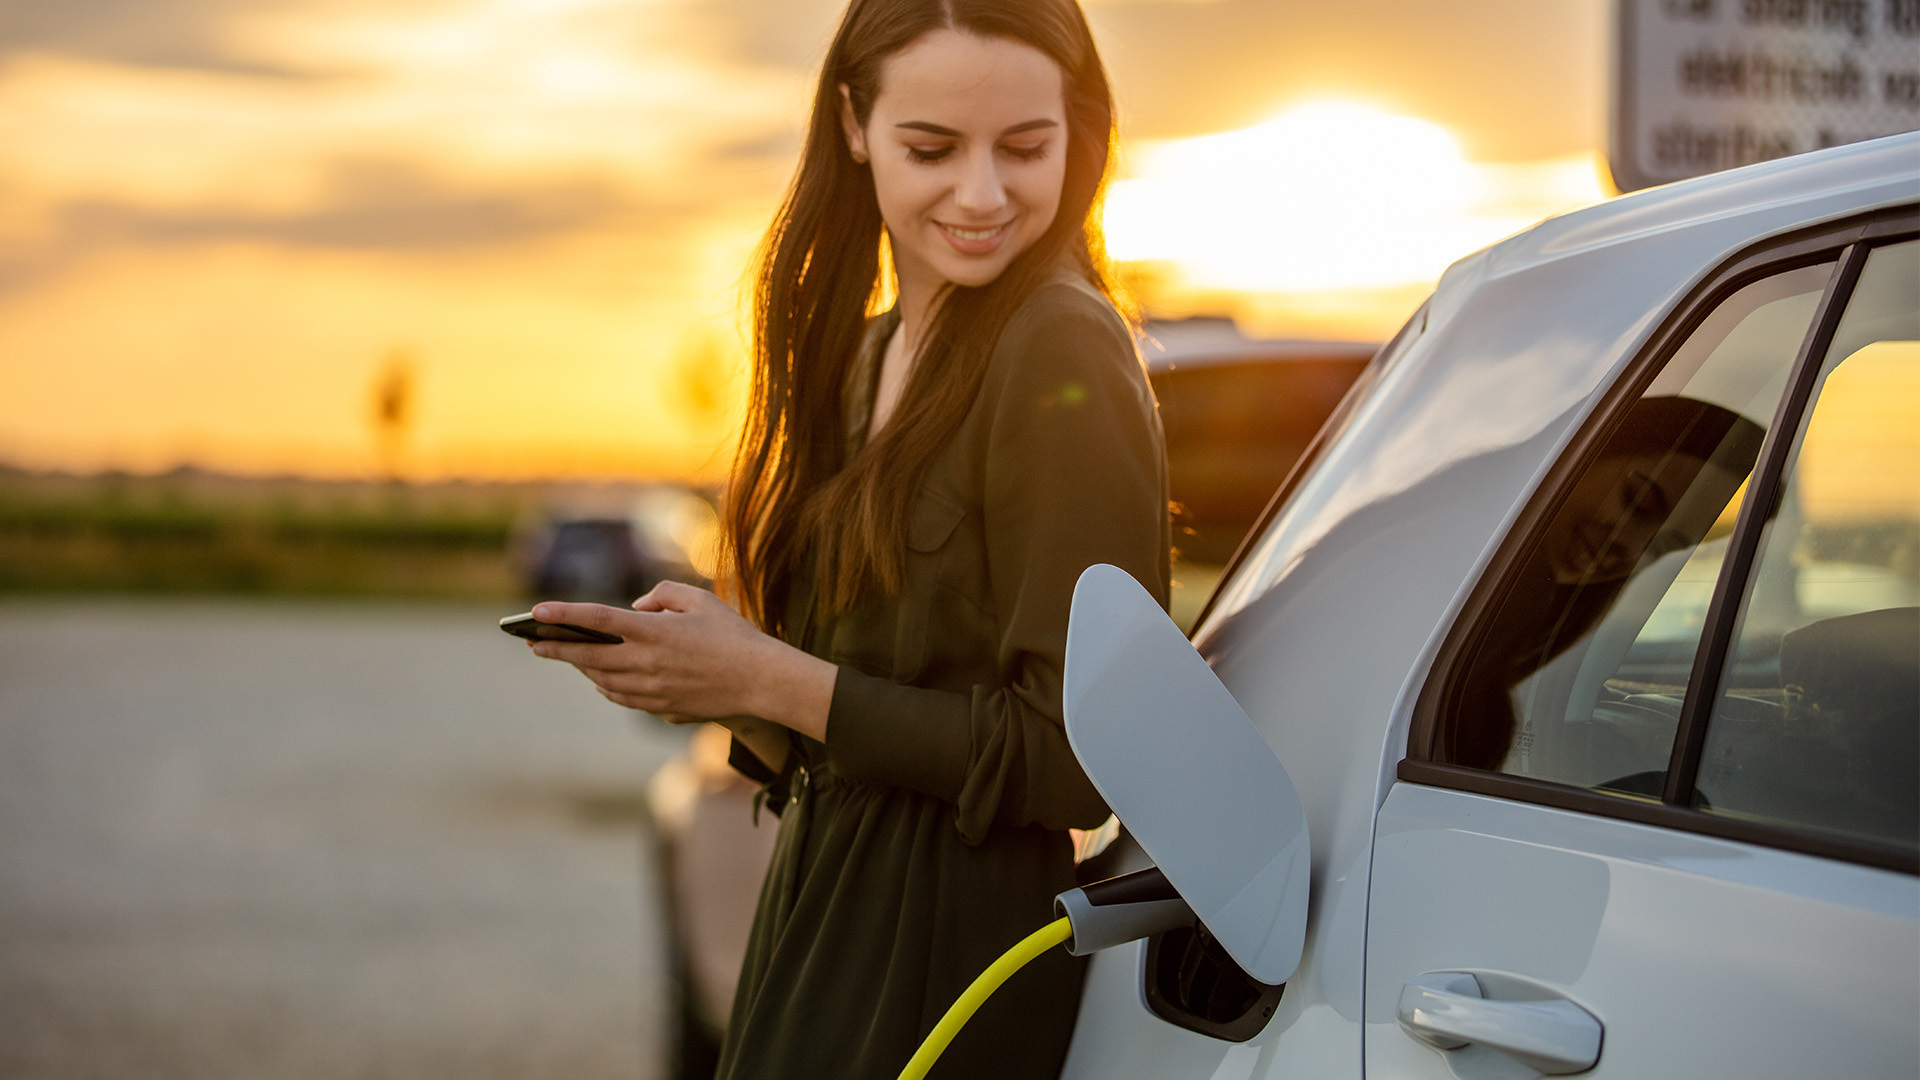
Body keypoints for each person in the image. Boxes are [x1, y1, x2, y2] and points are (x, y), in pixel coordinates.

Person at [525, 1, 1168, 1076]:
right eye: (932, 147)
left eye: (1024, 147)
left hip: (950, 962)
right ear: (854, 124)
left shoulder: (1059, 348)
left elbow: (1072, 766)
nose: (982, 193)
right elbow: (858, 713)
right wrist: (713, 678)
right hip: (817, 914)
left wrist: (777, 682)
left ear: (1080, 133)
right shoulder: (864, 358)